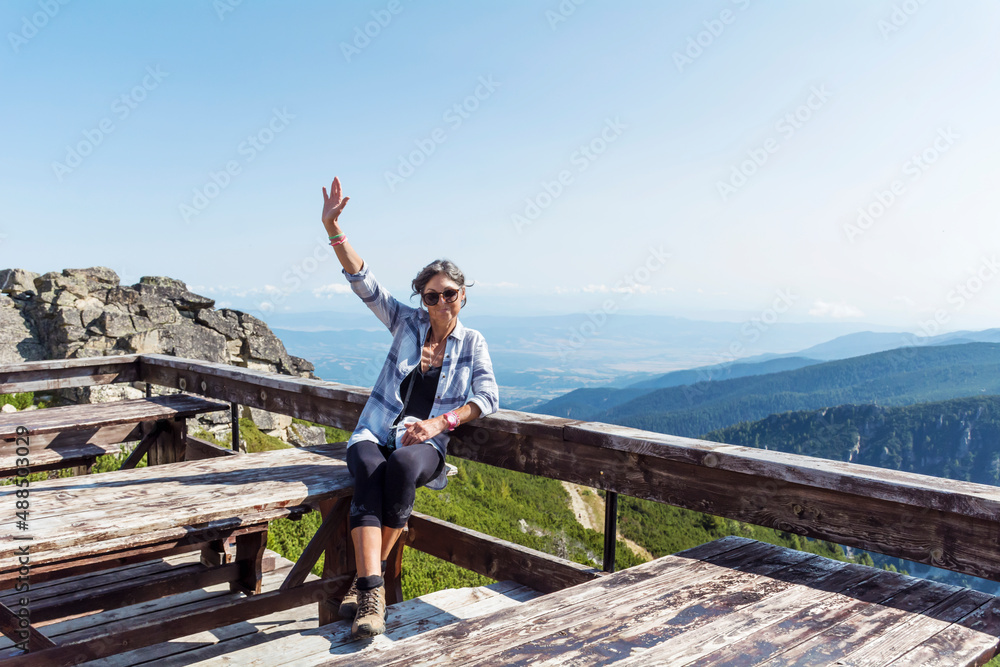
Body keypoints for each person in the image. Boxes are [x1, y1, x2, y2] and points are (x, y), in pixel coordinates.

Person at [320, 176, 499, 639]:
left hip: (427, 442)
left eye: (449, 294)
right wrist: (333, 230)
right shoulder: (405, 322)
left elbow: (488, 397)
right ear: (422, 298)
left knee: (401, 466)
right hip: (376, 429)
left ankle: (365, 589)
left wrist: (442, 421)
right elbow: (365, 283)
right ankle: (372, 593)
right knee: (368, 466)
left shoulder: (473, 342)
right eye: (431, 295)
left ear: (463, 295)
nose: (440, 302)